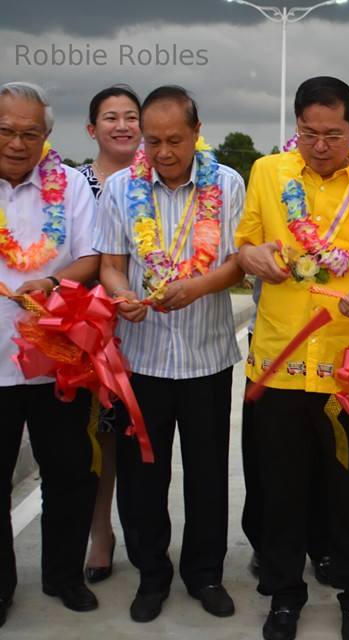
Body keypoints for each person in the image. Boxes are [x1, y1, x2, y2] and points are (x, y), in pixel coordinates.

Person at [236, 76, 349, 640]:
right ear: (297, 128)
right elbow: (243, 246)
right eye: (309, 133)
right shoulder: (268, 174)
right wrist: (254, 257)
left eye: (333, 134)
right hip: (279, 366)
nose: (320, 144)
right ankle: (284, 596)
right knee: (282, 494)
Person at [95, 85, 245, 623]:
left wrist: (200, 287)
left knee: (207, 473)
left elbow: (238, 264)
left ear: (196, 133)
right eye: (152, 140)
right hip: (142, 359)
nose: (162, 152)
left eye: (174, 140)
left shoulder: (227, 185)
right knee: (142, 477)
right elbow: (110, 262)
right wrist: (120, 294)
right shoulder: (119, 188)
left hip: (207, 357)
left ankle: (204, 573)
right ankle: (151, 575)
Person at [0, 81, 101, 625]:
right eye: (7, 131)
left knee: (70, 474)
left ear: (47, 136)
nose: (18, 143)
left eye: (29, 133)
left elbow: (89, 257)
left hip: (59, 360)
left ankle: (64, 576)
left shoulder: (71, 186)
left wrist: (52, 281)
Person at [77, 84, 142, 585]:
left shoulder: (155, 177)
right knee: (92, 437)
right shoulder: (74, 185)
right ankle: (100, 532)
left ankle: (141, 534)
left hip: (144, 330)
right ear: (91, 128)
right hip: (83, 334)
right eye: (110, 117)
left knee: (129, 436)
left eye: (130, 116)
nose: (122, 125)